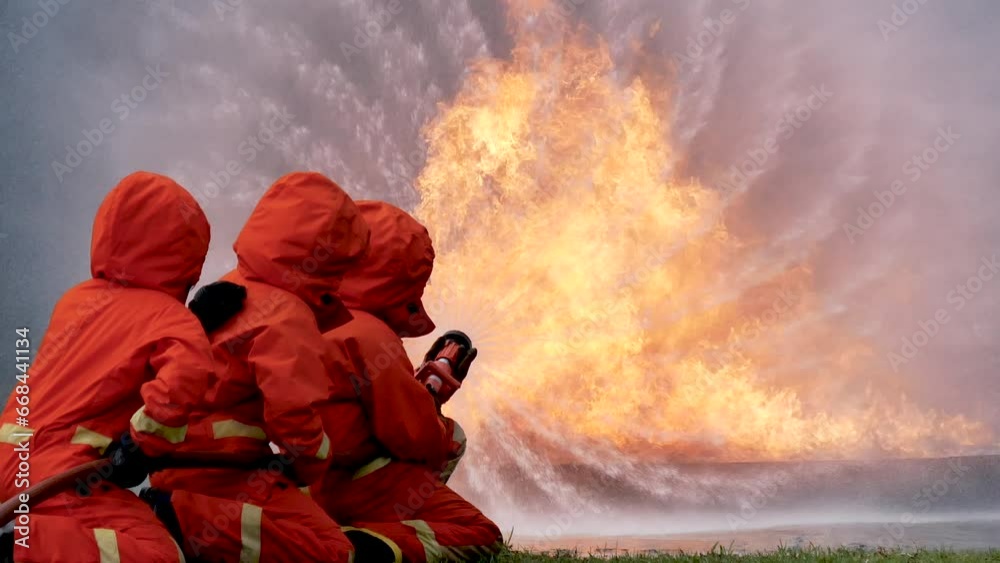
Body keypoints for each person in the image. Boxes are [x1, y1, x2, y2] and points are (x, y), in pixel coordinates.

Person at [147, 171, 370, 562]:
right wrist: (314, 462)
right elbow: (293, 416)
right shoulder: (288, 315)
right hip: (224, 475)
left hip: (178, 465)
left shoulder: (232, 286)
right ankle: (178, 522)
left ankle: (179, 521)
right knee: (333, 551)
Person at [0, 171, 218, 563]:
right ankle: (20, 549)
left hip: (10, 455)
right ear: (187, 262)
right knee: (158, 554)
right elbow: (186, 377)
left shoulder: (76, 300)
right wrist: (141, 446)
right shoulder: (171, 319)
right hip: (63, 472)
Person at [311, 201, 503, 562]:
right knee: (479, 533)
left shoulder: (298, 311)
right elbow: (415, 439)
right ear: (401, 274)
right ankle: (366, 545)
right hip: (354, 482)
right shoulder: (370, 336)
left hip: (302, 481)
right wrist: (430, 400)